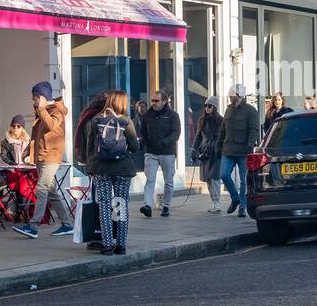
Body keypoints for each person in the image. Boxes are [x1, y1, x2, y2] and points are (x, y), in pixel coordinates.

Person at [82, 89, 139, 255]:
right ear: (121, 103)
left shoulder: (95, 120)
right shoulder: (126, 121)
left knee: (105, 205)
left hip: (101, 169)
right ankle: (121, 244)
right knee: (120, 204)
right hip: (122, 169)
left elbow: (90, 147)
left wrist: (88, 167)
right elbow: (135, 147)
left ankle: (107, 245)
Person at [14, 81, 72, 239]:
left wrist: (41, 109)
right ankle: (66, 224)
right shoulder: (43, 111)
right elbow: (36, 135)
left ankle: (33, 226)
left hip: (51, 156)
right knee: (51, 192)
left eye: (35, 98)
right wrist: (28, 152)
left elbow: (52, 125)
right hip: (41, 155)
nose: (33, 101)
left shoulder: (56, 111)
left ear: (42, 97)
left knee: (41, 188)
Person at [217, 83, 259, 217]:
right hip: (228, 150)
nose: (230, 98)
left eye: (233, 96)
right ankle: (235, 198)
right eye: (230, 96)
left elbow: (254, 130)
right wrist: (219, 145)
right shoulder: (228, 109)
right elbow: (223, 130)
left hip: (243, 152)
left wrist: (250, 145)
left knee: (243, 181)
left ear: (239, 96)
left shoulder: (251, 111)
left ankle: (242, 206)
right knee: (223, 174)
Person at [139, 88, 181, 218]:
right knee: (150, 179)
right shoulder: (147, 115)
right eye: (152, 100)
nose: (153, 103)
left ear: (164, 101)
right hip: (151, 152)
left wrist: (164, 143)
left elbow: (176, 133)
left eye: (156, 100)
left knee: (168, 181)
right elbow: (143, 132)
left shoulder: (172, 115)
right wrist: (142, 141)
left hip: (167, 152)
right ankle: (147, 205)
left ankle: (166, 205)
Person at [191, 95, 224, 213]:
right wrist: (194, 149)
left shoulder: (221, 120)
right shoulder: (201, 119)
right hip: (205, 151)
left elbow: (222, 137)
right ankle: (214, 202)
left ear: (214, 107)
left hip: (216, 151)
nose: (207, 108)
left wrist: (218, 148)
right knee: (208, 179)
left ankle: (217, 202)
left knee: (215, 177)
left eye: (209, 106)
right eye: (205, 106)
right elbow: (198, 136)